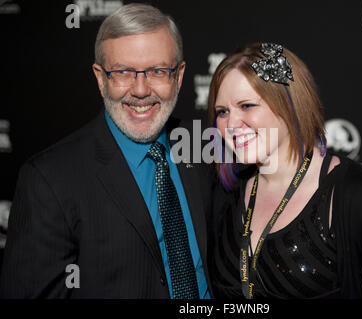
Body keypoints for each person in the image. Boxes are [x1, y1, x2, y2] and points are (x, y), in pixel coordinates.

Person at [0, 3, 213, 299]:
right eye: (123, 72)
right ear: (101, 79)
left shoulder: (203, 146)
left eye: (157, 71)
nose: (140, 90)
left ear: (178, 77)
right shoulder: (48, 180)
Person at [207, 42, 362, 299]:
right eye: (222, 111)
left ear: (289, 104)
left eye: (246, 106)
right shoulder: (225, 193)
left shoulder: (354, 195)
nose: (231, 124)